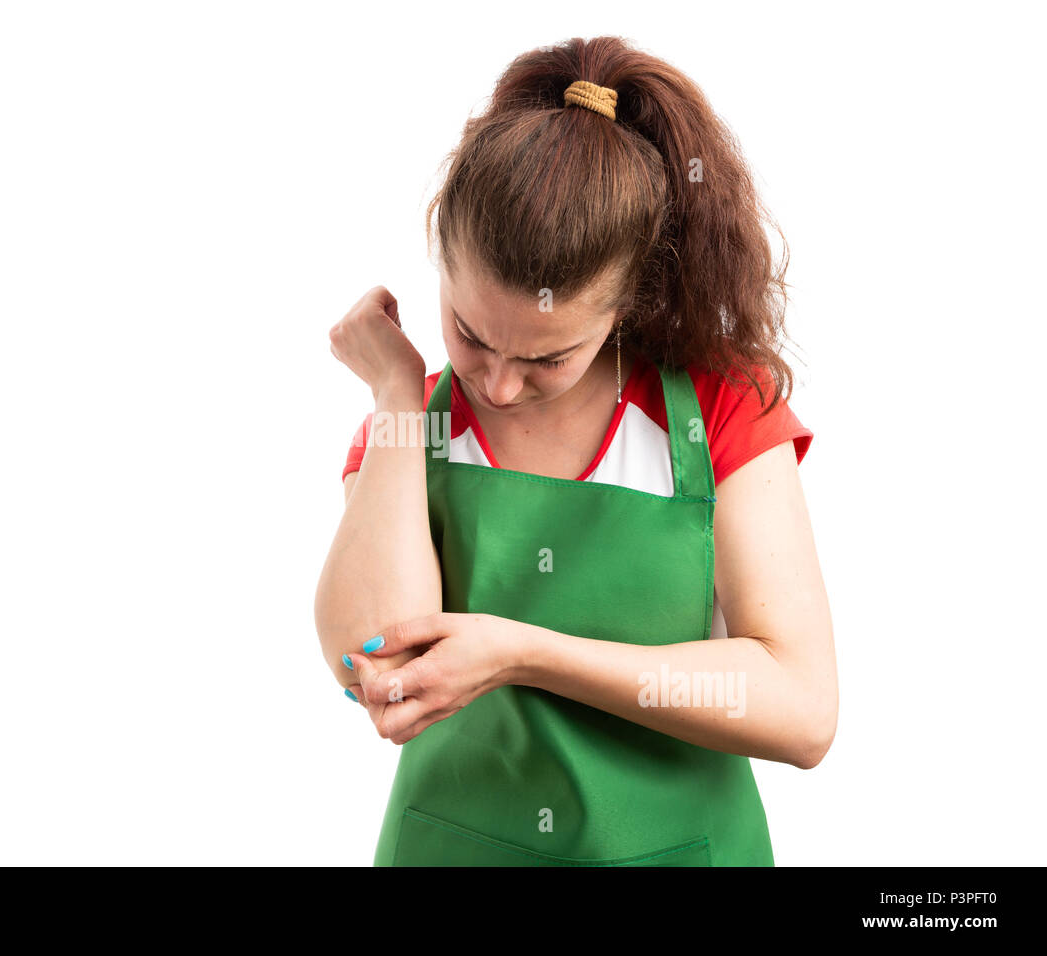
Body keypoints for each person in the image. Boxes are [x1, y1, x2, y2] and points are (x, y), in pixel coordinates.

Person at [314, 35, 837, 866]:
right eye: (470, 334)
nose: (497, 384)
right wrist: (392, 394)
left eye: (547, 357)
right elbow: (377, 667)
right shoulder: (416, 426)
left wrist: (529, 653)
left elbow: (803, 708)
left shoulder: (716, 407)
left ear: (629, 301)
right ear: (439, 258)